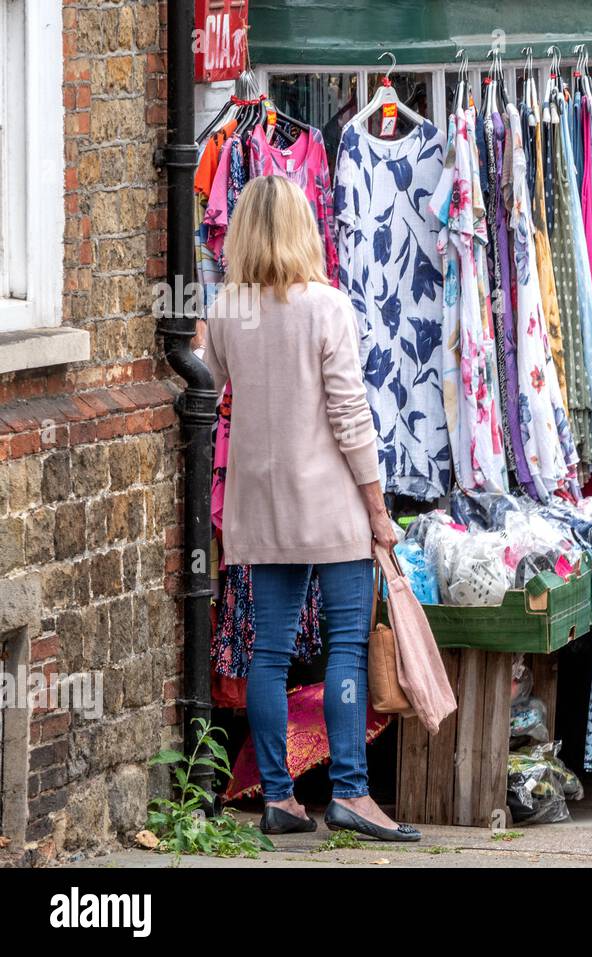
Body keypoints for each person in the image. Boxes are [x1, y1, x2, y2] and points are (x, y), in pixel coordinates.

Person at [204, 174, 419, 842]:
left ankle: (279, 797)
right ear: (303, 229)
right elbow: (350, 417)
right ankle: (352, 792)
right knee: (345, 648)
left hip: (260, 509)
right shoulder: (327, 307)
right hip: (329, 507)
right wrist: (378, 507)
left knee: (268, 652)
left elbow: (206, 394)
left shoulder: (226, 309)